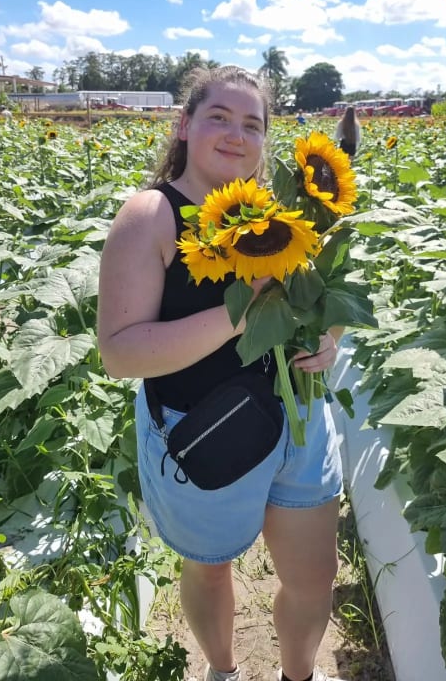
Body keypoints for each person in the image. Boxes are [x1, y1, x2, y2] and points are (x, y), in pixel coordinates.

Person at [97, 65, 345, 681]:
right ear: (184, 125)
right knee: (210, 564)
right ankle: (224, 671)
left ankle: (298, 675)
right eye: (219, 118)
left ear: (267, 139)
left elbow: (319, 301)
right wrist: (243, 311)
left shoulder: (283, 214)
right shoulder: (151, 216)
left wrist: (328, 343)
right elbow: (121, 353)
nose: (237, 135)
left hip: (300, 417)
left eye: (252, 124)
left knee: (315, 577)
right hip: (202, 431)